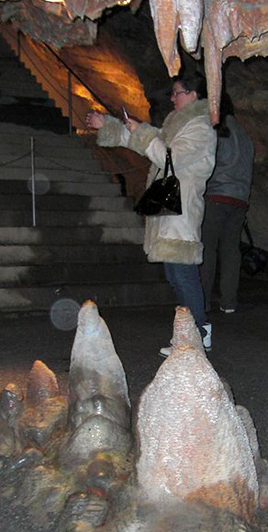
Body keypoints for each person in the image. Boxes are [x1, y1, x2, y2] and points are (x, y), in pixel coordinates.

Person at [85, 72, 216, 356]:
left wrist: (142, 133)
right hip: (169, 204)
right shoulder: (179, 126)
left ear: (194, 95)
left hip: (181, 207)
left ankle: (199, 333)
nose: (172, 98)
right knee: (174, 274)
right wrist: (110, 126)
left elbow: (169, 157)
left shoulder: (201, 128)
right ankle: (189, 333)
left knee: (183, 273)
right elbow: (149, 143)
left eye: (177, 92)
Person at [201, 95, 254, 314]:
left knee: (207, 249)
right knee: (231, 250)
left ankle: (201, 301)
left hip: (217, 196)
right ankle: (228, 302)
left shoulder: (218, 132)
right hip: (239, 199)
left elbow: (209, 164)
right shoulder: (245, 135)